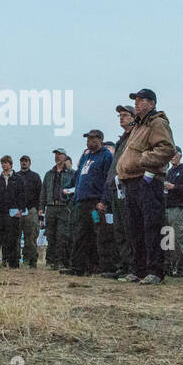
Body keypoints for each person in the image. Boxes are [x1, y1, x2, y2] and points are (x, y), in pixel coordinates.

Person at [117, 88, 175, 284]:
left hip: (148, 180)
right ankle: (139, 269)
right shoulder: (138, 126)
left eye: (141, 100)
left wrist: (142, 160)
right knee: (135, 227)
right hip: (132, 181)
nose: (137, 103)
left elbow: (166, 149)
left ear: (152, 103)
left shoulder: (157, 122)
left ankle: (155, 271)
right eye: (136, 100)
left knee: (151, 226)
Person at [66, 130, 114, 276]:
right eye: (87, 138)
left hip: (95, 203)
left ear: (99, 139)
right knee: (80, 234)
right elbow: (78, 178)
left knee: (96, 233)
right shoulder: (86, 157)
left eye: (91, 138)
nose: (87, 141)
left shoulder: (106, 156)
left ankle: (98, 266)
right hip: (81, 202)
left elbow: (109, 180)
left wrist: (103, 201)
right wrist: (70, 192)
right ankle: (78, 267)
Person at [100, 106, 136, 280]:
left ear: (134, 117)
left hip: (128, 187)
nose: (121, 118)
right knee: (119, 229)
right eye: (119, 115)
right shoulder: (121, 139)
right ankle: (123, 266)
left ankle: (133, 267)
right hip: (114, 188)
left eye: (125, 115)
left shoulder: (136, 136)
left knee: (130, 229)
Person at [41, 149, 77, 270]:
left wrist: (71, 204)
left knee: (63, 235)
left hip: (64, 207)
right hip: (51, 206)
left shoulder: (72, 174)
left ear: (65, 157)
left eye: (59, 155)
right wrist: (41, 208)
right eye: (56, 154)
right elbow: (44, 191)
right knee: (50, 235)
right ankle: (50, 261)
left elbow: (75, 190)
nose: (57, 157)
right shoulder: (49, 174)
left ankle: (61, 262)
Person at [0, 156, 24, 269]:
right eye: (2, 163)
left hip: (13, 213)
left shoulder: (18, 179)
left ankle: (13, 264)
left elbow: (22, 196)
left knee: (12, 239)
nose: (4, 165)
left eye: (6, 163)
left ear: (11, 164)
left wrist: (20, 209)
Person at [162, 147, 183, 277]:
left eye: (174, 154)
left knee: (178, 239)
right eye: (170, 155)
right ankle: (168, 266)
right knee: (166, 239)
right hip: (167, 207)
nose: (172, 157)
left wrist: (174, 187)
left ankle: (182, 268)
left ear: (180, 155)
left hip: (179, 208)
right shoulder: (168, 172)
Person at [15, 155, 43, 268]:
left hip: (31, 210)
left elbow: (41, 194)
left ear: (29, 163)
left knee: (31, 236)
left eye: (26, 161)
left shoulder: (35, 176)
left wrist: (39, 209)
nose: (24, 163)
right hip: (17, 211)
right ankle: (15, 260)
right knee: (15, 236)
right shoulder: (15, 176)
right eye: (22, 161)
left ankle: (31, 260)